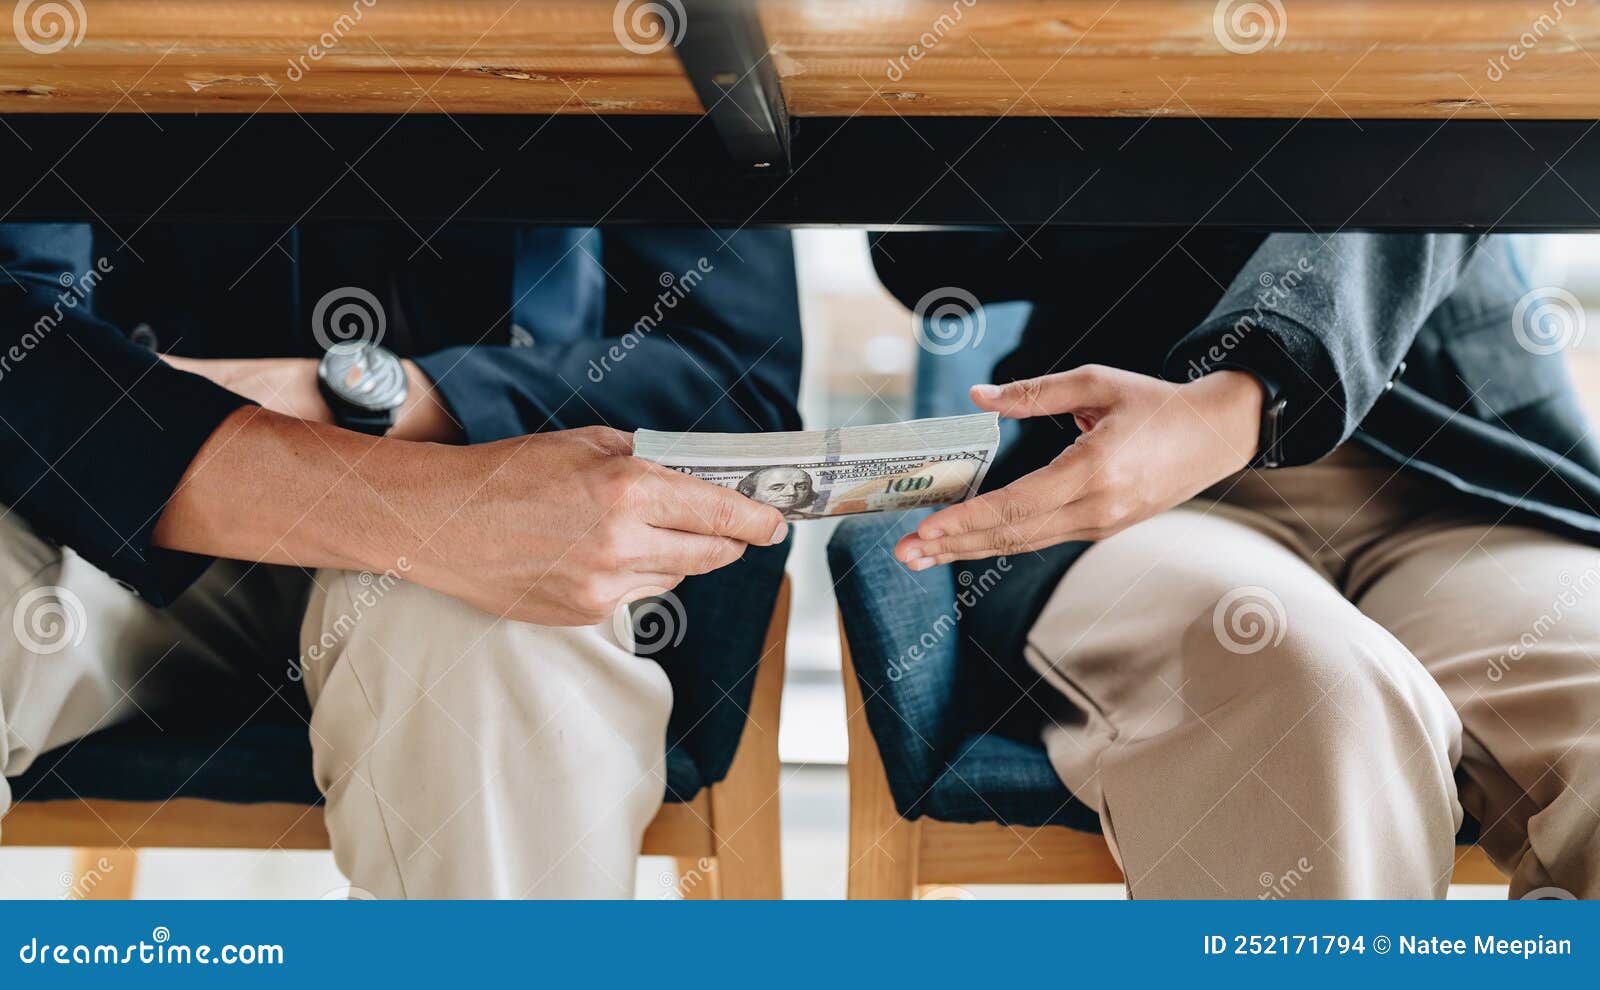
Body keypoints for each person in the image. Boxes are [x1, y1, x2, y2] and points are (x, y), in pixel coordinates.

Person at [0, 222, 801, 898]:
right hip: (81, 510)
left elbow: (734, 382)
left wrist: (362, 397)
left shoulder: (663, 37)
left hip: (499, 504)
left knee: (506, 647)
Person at [873, 231, 1600, 898]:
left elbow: (1435, 151)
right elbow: (917, 246)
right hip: (1142, 494)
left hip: (1474, 484)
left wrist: (1249, 392)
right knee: (1313, 690)